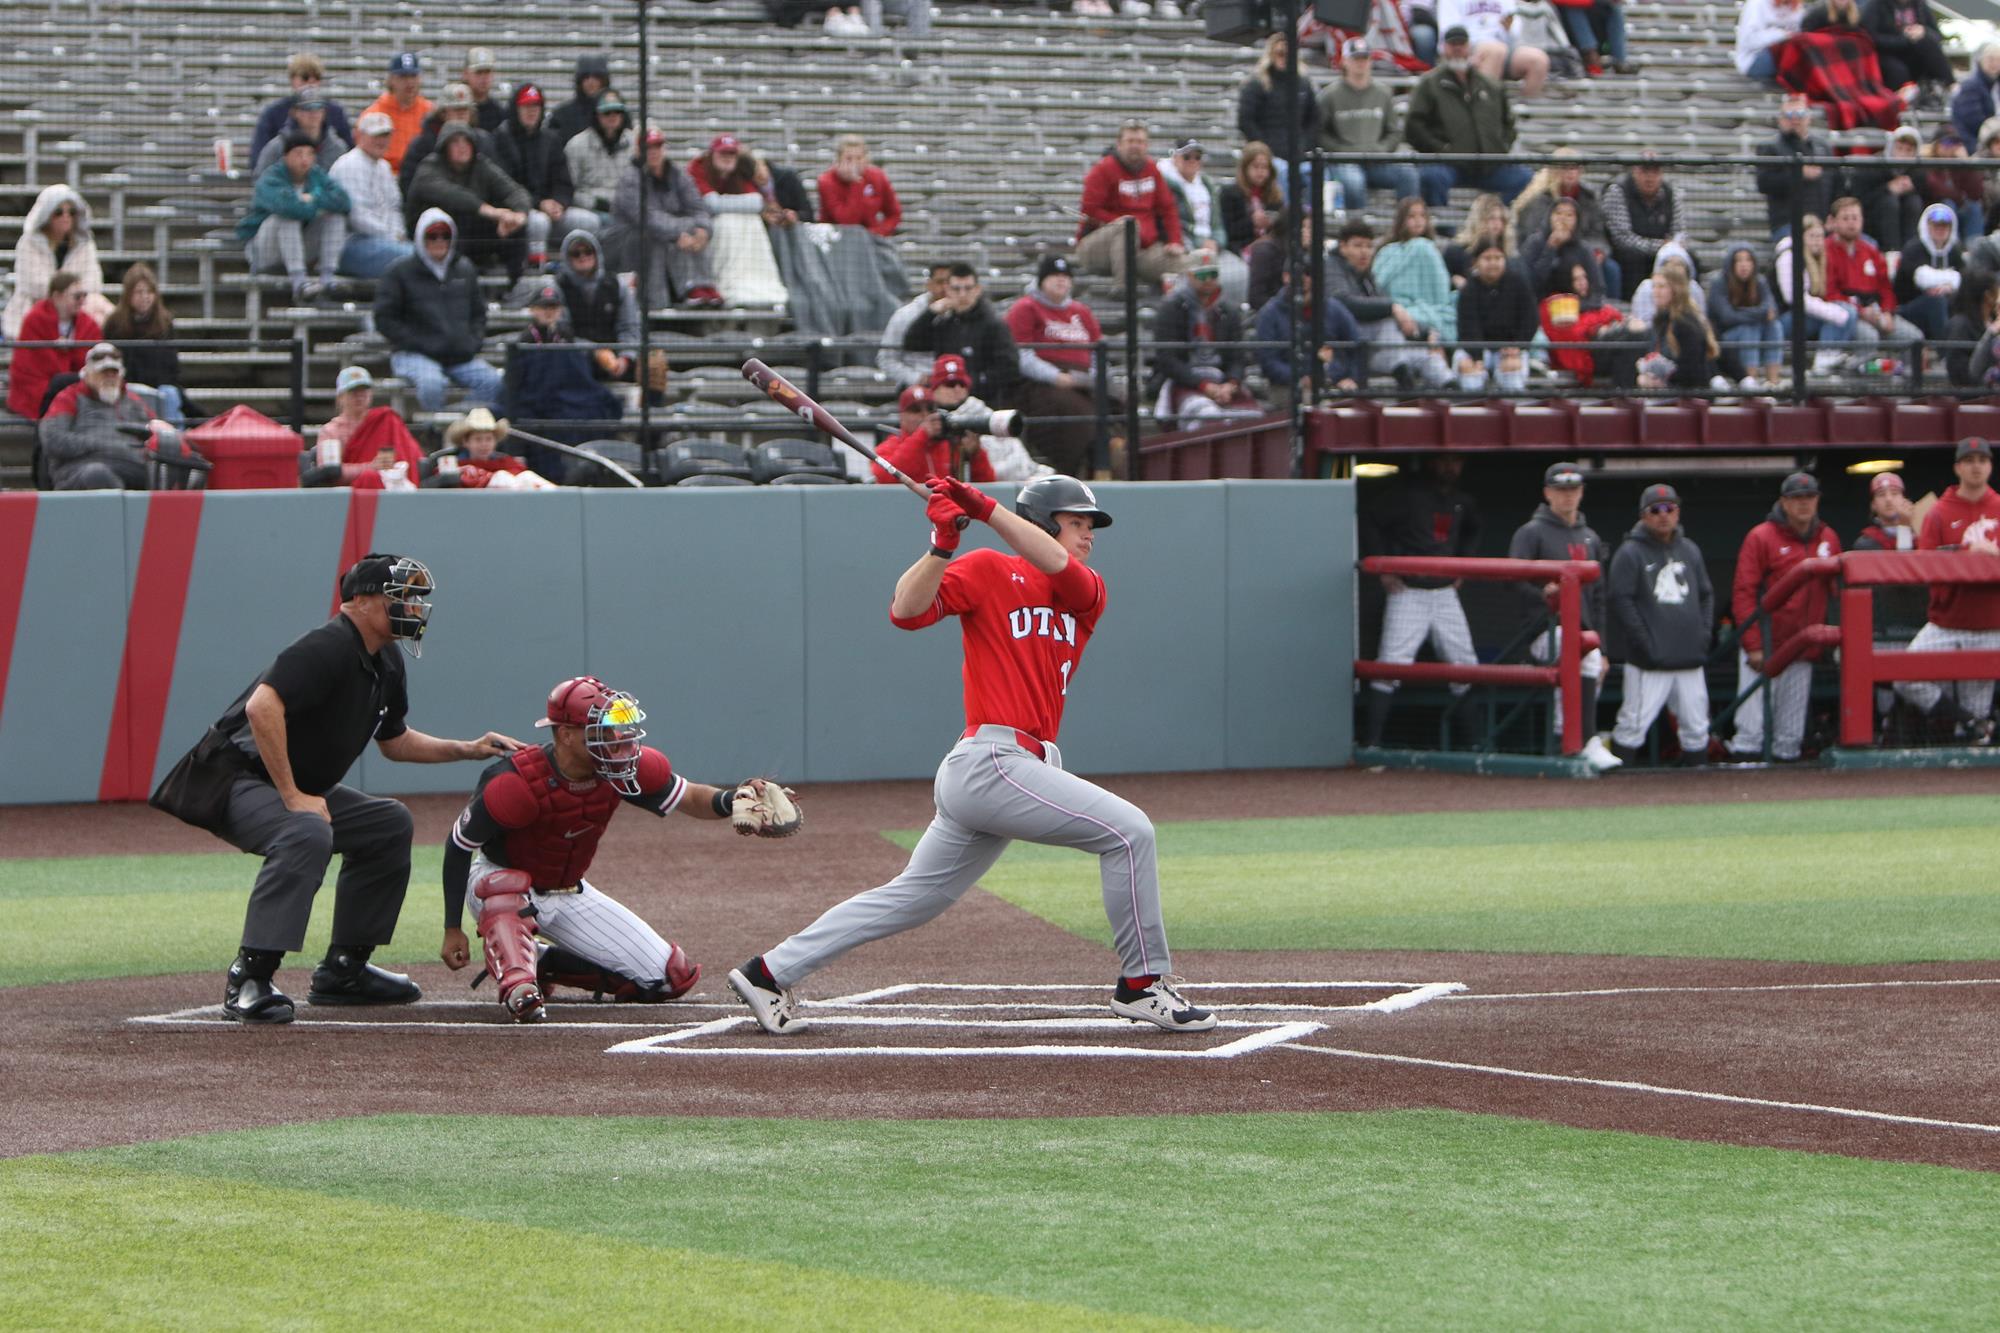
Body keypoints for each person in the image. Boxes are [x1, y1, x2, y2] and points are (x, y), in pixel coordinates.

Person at [727, 474, 1219, 1036]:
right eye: (1077, 522)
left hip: (1018, 767)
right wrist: (941, 544)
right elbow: (906, 611)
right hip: (991, 761)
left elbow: (1058, 566)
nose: (1089, 534)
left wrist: (982, 507)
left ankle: (768, 971)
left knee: (915, 898)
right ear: (1044, 521)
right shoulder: (988, 568)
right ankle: (1143, 985)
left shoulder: (1085, 590)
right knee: (1131, 833)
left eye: (1090, 525)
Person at [153, 554, 523, 1024]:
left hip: (279, 783)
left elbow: (396, 742)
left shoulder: (385, 658)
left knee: (388, 824)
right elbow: (261, 708)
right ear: (362, 601)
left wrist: (467, 748)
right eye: (401, 597)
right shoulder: (326, 646)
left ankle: (344, 971)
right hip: (230, 779)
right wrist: (292, 797)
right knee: (305, 831)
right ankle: (250, 976)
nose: (412, 608)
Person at [447, 678, 793, 1021]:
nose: (617, 739)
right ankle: (517, 983)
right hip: (499, 884)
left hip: (569, 890)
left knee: (671, 977)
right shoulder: (515, 782)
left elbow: (689, 797)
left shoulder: (618, 768)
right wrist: (452, 928)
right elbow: (459, 845)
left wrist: (734, 799)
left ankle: (542, 961)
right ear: (566, 733)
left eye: (616, 728)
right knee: (504, 888)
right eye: (601, 730)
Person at [1359, 454, 1483, 746]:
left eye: (1455, 461)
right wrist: (1383, 567)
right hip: (1408, 592)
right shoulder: (1406, 496)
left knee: (1465, 666)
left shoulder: (1461, 500)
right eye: (1443, 461)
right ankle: (1371, 745)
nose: (1449, 466)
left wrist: (1464, 564)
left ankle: (1477, 747)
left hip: (1444, 593)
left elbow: (1475, 528)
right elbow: (1370, 521)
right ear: (1429, 462)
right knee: (1390, 667)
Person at [1507, 462, 1619, 769]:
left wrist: (1603, 648)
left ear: (1581, 492)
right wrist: (1542, 593)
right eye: (1560, 490)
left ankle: (1569, 739)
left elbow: (1598, 599)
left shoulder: (1590, 537)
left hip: (1581, 635)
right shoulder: (1531, 532)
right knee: (1578, 653)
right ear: (1547, 493)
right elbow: (1512, 581)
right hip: (1541, 632)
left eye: (1573, 490)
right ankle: (1583, 739)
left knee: (1589, 659)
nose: (1567, 497)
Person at [1724, 472, 1839, 762]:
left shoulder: (1828, 537)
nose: (1804, 504)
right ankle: (1740, 798)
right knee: (1751, 732)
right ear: (1783, 503)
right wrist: (1752, 644)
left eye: (1809, 497)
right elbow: (1743, 592)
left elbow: (1838, 592)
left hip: (1802, 649)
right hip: (1767, 645)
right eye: (1796, 498)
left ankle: (1785, 797)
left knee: (1789, 738)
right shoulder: (1761, 536)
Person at [1892, 438, 2000, 740]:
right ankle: (1962, 720)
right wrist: (1966, 553)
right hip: (1946, 622)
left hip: (1991, 624)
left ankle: (1972, 728)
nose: (1976, 466)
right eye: (1969, 460)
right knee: (1904, 676)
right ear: (1957, 467)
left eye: (1982, 460)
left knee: (1978, 718)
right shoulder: (1939, 511)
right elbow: (1926, 565)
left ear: (1990, 465)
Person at [1606, 484, 1714, 764]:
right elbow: (1621, 601)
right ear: (1644, 515)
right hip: (1649, 662)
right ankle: (1612, 794)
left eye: (1670, 508)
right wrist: (1646, 642)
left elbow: (1705, 595)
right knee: (1633, 724)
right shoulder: (1630, 552)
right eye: (1656, 510)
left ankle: (1698, 792)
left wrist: (1703, 635)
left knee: (1697, 726)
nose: (1663, 515)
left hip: (1689, 657)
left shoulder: (1689, 549)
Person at [375, 209, 503, 411]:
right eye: (432, 235)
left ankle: (458, 425)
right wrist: (417, 342)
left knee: (495, 383)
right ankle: (435, 432)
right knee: (431, 385)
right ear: (420, 238)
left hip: (459, 355)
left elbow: (479, 314)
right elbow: (384, 319)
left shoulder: (465, 269)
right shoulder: (399, 272)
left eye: (445, 235)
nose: (439, 241)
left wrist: (472, 342)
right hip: (415, 354)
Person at [1403, 27, 1534, 204]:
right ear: (1443, 48)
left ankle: (1501, 224)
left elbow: (1508, 123)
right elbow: (1414, 126)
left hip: (1489, 165)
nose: (1457, 49)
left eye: (1461, 44)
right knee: (1432, 177)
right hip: (1448, 164)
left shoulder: (1490, 86)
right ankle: (1444, 229)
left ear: (1469, 47)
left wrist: (1500, 147)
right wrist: (1442, 149)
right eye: (1452, 45)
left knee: (1525, 178)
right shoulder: (1429, 84)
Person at [1005, 255, 1108, 477]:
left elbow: (1098, 352)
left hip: (1082, 381)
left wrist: (1094, 378)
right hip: (1042, 384)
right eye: (1054, 276)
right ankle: (1075, 471)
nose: (1061, 281)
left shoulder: (1082, 312)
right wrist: (1055, 377)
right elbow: (1021, 354)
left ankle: (1110, 466)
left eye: (1065, 276)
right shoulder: (1026, 308)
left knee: (1116, 404)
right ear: (1041, 280)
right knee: (1074, 412)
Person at [1327, 219, 1455, 390]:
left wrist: (1424, 333)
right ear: (1343, 247)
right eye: (1358, 246)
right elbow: (1343, 302)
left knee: (1426, 356)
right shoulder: (1331, 267)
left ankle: (1452, 388)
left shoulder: (1366, 276)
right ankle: (1405, 382)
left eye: (1368, 246)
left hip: (1380, 352)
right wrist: (1392, 308)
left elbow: (1387, 308)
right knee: (1388, 323)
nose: (1364, 252)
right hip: (1348, 350)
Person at [502, 282, 623, 458]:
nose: (548, 311)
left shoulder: (565, 334)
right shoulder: (524, 340)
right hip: (537, 400)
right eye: (543, 307)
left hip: (565, 397)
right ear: (533, 310)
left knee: (600, 405)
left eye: (553, 307)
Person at [37, 343, 181, 489]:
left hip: (133, 464)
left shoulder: (134, 401)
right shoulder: (68, 398)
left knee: (169, 474)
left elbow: (159, 433)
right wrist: (101, 445)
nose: (110, 377)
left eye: (114, 372)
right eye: (103, 372)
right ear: (87, 374)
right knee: (98, 474)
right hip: (81, 469)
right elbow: (53, 439)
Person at [610, 126, 723, 309]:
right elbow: (647, 218)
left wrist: (702, 230)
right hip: (630, 242)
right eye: (648, 148)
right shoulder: (630, 178)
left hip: (673, 235)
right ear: (639, 150)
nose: (653, 152)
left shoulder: (678, 174)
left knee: (698, 233)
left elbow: (699, 208)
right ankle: (663, 300)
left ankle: (702, 287)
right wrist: (682, 231)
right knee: (658, 237)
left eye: (657, 146)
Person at [405, 122, 530, 284]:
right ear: (445, 146)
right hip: (435, 236)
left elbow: (514, 190)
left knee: (516, 228)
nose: (462, 147)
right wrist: (490, 211)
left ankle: (518, 285)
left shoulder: (481, 165)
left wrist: (519, 215)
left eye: (466, 141)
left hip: (473, 233)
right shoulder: (429, 167)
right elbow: (452, 195)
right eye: (455, 142)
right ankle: (455, 285)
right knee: (458, 219)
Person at [1317, 40, 1431, 212]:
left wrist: (1381, 149)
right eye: (1355, 58)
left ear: (1371, 61)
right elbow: (1319, 133)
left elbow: (1394, 131)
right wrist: (1341, 150)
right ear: (1344, 61)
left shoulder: (1383, 93)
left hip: (1378, 159)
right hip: (1344, 160)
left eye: (1365, 58)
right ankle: (1358, 228)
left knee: (1408, 174)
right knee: (1353, 183)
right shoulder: (1329, 95)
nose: (1360, 63)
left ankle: (1404, 224)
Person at [238, 128, 351, 300]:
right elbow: (288, 208)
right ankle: (300, 283)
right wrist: (315, 203)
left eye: (309, 154)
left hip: (301, 247)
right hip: (266, 252)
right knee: (287, 218)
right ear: (286, 156)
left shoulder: (317, 175)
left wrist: (313, 197)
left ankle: (328, 278)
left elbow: (344, 201)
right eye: (298, 153)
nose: (304, 159)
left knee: (334, 217)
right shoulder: (271, 177)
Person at [1074, 119, 1187, 285]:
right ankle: (1124, 288)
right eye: (1130, 141)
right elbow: (1089, 211)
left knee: (1197, 262)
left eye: (1140, 141)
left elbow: (1168, 208)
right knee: (1128, 225)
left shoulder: (1152, 170)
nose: (1135, 146)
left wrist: (1175, 241)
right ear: (1119, 144)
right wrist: (1129, 226)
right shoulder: (1102, 170)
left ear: (1146, 145)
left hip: (1142, 250)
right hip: (1098, 249)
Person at [1150, 260, 1259, 429]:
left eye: (1213, 274)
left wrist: (1231, 384)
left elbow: (1237, 358)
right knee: (1206, 415)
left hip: (1222, 381)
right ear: (1190, 276)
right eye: (1202, 275)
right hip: (1183, 381)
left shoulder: (1228, 311)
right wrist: (1204, 385)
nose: (1208, 280)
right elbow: (1168, 360)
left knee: (1253, 417)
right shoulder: (1171, 309)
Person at [492, 83, 586, 272]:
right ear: (515, 109)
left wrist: (559, 202)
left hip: (551, 210)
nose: (531, 111)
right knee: (538, 222)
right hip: (518, 212)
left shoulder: (550, 139)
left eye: (535, 106)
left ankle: (580, 277)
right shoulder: (501, 138)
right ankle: (537, 277)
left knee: (588, 221)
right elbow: (506, 186)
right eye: (526, 106)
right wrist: (539, 203)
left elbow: (564, 182)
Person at [902, 262, 1020, 405]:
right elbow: (912, 343)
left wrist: (968, 384)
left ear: (977, 289)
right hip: (946, 402)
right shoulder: (944, 324)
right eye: (956, 289)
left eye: (968, 288)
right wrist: (930, 313)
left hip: (983, 402)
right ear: (947, 290)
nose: (962, 294)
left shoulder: (994, 325)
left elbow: (1009, 369)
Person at [3, 184, 110, 340]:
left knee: (102, 309)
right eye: (59, 212)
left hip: (77, 308)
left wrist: (68, 296)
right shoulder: (28, 243)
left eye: (71, 212)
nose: (66, 217)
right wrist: (66, 295)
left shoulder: (86, 245)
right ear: (46, 215)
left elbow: (93, 283)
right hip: (36, 305)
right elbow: (33, 285)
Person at [871, 354, 998, 485]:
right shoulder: (887, 448)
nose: (924, 415)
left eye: (930, 409)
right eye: (915, 410)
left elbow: (987, 485)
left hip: (946, 504)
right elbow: (886, 479)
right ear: (902, 417)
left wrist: (976, 455)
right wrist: (922, 435)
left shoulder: (952, 446)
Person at [1825, 195, 1925, 356]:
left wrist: (1887, 312)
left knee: (1914, 338)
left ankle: (1909, 378)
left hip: (1876, 311)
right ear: (1834, 221)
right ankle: (1858, 376)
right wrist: (1860, 312)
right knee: (1868, 337)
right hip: (1849, 314)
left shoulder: (1871, 250)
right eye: (1845, 218)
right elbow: (1830, 293)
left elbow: (1885, 288)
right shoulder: (1826, 251)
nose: (1851, 223)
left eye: (1855, 218)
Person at [101, 263, 191, 428]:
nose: (145, 297)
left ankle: (175, 443)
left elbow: (171, 366)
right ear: (128, 295)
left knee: (170, 394)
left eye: (149, 292)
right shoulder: (114, 323)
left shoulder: (164, 322)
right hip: (126, 385)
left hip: (159, 385)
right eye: (139, 292)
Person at [1254, 264, 1364, 400]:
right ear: (1285, 277)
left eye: (1309, 274)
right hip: (1287, 387)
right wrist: (1300, 378)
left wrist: (1351, 378)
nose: (1304, 279)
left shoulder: (1335, 308)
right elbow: (1268, 361)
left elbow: (1356, 346)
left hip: (1334, 382)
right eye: (1298, 273)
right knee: (1305, 401)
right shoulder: (1270, 313)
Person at [1513, 149, 1617, 291]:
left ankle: (1603, 307)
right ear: (1554, 171)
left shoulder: (1590, 198)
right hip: (1547, 249)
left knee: (1610, 269)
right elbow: (1532, 236)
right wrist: (1553, 243)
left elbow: (1597, 233)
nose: (1570, 172)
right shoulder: (1538, 201)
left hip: (1581, 250)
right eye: (1564, 168)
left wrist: (1597, 251)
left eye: (1574, 168)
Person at [328, 111, 415, 278]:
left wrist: (398, 234)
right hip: (350, 243)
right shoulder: (349, 164)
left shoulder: (384, 166)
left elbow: (394, 208)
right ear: (359, 136)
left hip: (383, 242)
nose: (382, 141)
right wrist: (392, 236)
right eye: (376, 135)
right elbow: (358, 217)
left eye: (385, 135)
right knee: (414, 258)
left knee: (422, 256)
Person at [1774, 213, 1861, 374]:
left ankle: (1830, 357)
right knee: (1840, 313)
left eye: (1820, 236)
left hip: (1803, 314)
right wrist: (1831, 311)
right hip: (1782, 321)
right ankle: (1824, 360)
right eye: (1812, 236)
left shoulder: (1817, 257)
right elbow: (1793, 298)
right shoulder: (1788, 256)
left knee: (1848, 311)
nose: (1817, 241)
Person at [7, 272, 101, 420]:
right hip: (40, 384)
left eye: (84, 295)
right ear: (57, 296)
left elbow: (93, 359)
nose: (82, 301)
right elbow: (29, 364)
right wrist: (61, 354)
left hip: (76, 382)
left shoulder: (88, 324)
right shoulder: (35, 320)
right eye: (77, 296)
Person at [1236, 33, 1320, 193]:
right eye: (1280, 54)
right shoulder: (1257, 84)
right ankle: (1287, 214)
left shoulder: (1303, 84)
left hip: (1300, 152)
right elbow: (1246, 120)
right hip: (1270, 153)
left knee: (1317, 171)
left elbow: (1314, 120)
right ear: (1271, 55)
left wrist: (1305, 145)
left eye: (1288, 55)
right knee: (1280, 171)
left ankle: (1312, 214)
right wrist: (1264, 150)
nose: (1284, 59)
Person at [1540, 260, 1642, 387]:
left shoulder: (1590, 300)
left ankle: (1627, 393)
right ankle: (1626, 393)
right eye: (1576, 279)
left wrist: (1601, 327)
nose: (1583, 282)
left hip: (1603, 346)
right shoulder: (1554, 303)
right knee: (1628, 334)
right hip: (1583, 355)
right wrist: (1597, 328)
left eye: (1584, 277)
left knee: (1635, 337)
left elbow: (1614, 314)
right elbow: (1573, 333)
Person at [1373, 197, 1458, 345]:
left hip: (1431, 309)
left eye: (1422, 216)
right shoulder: (1386, 251)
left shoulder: (1430, 249)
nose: (1418, 220)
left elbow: (1440, 290)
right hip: (1397, 310)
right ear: (1401, 220)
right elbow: (1378, 283)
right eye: (1412, 216)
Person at [1604, 153, 1689, 301]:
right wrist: (1660, 246)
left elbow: (1679, 231)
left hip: (1662, 253)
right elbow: (1622, 238)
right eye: (1644, 171)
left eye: (1654, 172)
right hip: (1627, 254)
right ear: (1635, 171)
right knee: (1632, 260)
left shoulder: (1671, 193)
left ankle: (1682, 305)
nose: (1649, 177)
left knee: (1686, 259)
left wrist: (1671, 249)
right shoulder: (1618, 191)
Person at [1456, 240, 1538, 389]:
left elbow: (1530, 319)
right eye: (1487, 258)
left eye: (1498, 258)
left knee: (1512, 377)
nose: (1493, 263)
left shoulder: (1518, 283)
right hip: (1475, 348)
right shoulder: (1468, 290)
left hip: (1511, 348)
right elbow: (1468, 327)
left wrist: (1517, 347)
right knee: (1470, 376)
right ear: (1476, 262)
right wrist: (1477, 357)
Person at [250, 53, 355, 167]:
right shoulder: (273, 113)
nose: (311, 82)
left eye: (317, 77)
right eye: (305, 77)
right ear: (292, 79)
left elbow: (349, 153)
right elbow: (259, 157)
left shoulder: (336, 112)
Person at [1754, 97, 1836, 237]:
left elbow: (1836, 184)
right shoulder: (1770, 147)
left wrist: (1833, 216)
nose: (1795, 120)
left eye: (1800, 114)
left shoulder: (1823, 148)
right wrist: (1798, 174)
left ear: (1808, 117)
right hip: (1788, 224)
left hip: (1822, 223)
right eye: (1789, 115)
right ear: (1780, 119)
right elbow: (1764, 183)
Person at [1437, 0, 1552, 97]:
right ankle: (1482, 111)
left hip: (1503, 46)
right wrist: (1467, 53)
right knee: (1495, 51)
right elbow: (1449, 33)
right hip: (1469, 47)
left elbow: (1515, 33)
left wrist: (1508, 28)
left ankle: (1525, 116)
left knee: (1538, 59)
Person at [1708, 245, 1786, 389]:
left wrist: (1740, 311)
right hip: (1723, 342)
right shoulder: (1718, 283)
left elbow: (1771, 310)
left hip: (1753, 333)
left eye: (1748, 260)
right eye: (1739, 261)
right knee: (1749, 328)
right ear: (1731, 264)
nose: (1744, 265)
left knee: (1774, 326)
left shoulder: (1760, 281)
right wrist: (1759, 314)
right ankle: (1750, 383)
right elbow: (1727, 317)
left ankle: (1773, 382)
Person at [1636, 265, 1720, 391]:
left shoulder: (1686, 323)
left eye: (1662, 286)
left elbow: (1693, 371)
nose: (1656, 292)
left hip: (1689, 398)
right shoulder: (1660, 321)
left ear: (1676, 290)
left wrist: (1664, 379)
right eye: (1654, 286)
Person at [1891, 202, 1963, 343]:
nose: (1940, 230)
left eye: (1944, 226)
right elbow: (1923, 278)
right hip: (1908, 308)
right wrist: (1952, 279)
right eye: (1936, 225)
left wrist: (1949, 287)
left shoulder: (1954, 252)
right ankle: (1945, 352)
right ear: (1926, 226)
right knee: (1936, 301)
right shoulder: (1914, 248)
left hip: (1942, 307)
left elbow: (1965, 278)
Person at [1519, 196, 1607, 310]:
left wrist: (1574, 308)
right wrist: (1551, 248)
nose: (1563, 219)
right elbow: (1530, 283)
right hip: (1541, 309)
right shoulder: (1534, 243)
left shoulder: (1584, 249)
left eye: (1569, 215)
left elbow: (1598, 290)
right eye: (1558, 213)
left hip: (1576, 311)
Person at [1860, 0, 1952, 104]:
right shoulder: (1876, 5)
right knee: (1898, 70)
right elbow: (1869, 37)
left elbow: (1937, 36)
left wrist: (1924, 31)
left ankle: (1951, 85)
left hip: (1914, 55)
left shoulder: (1920, 5)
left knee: (1927, 42)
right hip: (1886, 55)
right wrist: (1904, 39)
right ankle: (1903, 99)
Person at [564, 90, 632, 229]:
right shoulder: (576, 145)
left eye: (617, 111)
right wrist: (596, 203)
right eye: (607, 112)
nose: (612, 116)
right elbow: (568, 190)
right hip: (590, 211)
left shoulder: (635, 143)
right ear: (597, 115)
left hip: (627, 209)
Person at [360, 52, 432, 176]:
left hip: (420, 177)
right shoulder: (374, 114)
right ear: (391, 79)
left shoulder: (430, 111)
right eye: (403, 76)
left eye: (413, 76)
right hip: (384, 176)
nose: (409, 82)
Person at [882, 262, 953, 386]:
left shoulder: (966, 314)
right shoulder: (905, 315)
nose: (945, 288)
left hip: (956, 385)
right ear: (929, 284)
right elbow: (887, 359)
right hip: (916, 388)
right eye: (940, 282)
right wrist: (916, 378)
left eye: (950, 283)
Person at [250, 88, 348, 176]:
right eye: (307, 108)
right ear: (294, 112)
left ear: (324, 112)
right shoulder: (277, 147)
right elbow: (261, 181)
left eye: (318, 107)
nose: (313, 114)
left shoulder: (338, 149)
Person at [816, 134, 901, 235]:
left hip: (871, 239)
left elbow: (894, 214)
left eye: (859, 158)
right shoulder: (826, 182)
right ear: (838, 161)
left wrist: (878, 232)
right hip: (838, 239)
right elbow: (846, 222)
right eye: (848, 159)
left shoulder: (877, 177)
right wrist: (856, 183)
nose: (854, 163)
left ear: (866, 159)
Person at [1219, 141, 1285, 255]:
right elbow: (1227, 231)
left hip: (1270, 249)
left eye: (1264, 167)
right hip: (1239, 250)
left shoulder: (1275, 196)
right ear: (1245, 168)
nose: (1260, 172)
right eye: (1255, 166)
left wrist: (1272, 223)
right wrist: (1252, 222)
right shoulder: (1229, 194)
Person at [1922, 129, 1985, 245]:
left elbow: (1977, 192)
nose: (1950, 147)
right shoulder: (1927, 163)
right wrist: (1959, 197)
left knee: (1974, 207)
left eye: (1955, 143)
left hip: (1960, 206)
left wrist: (1967, 163)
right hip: (1935, 209)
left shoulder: (1960, 165)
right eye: (1947, 142)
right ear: (1936, 145)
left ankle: (1974, 247)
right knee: (1948, 205)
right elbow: (1937, 189)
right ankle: (1953, 246)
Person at [1444, 192, 1520, 287]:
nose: (1497, 223)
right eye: (1491, 218)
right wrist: (1454, 280)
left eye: (1501, 219)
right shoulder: (1456, 251)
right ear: (1478, 219)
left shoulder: (1509, 255)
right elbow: (1442, 279)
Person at [549, 53, 612, 145]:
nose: (591, 81)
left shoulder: (616, 112)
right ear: (579, 80)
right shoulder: (562, 115)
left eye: (596, 76)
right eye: (586, 77)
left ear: (604, 80)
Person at [1736, 0, 1806, 82]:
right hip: (1754, 59)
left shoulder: (1796, 6)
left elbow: (1800, 34)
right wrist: (1783, 36)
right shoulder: (1757, 4)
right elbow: (1749, 40)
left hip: (1784, 56)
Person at [1951, 41, 2000, 150]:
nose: (1995, 63)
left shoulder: (1996, 85)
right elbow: (1974, 122)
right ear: (1981, 61)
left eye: (1998, 59)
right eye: (1990, 59)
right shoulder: (1970, 86)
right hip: (1976, 143)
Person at [1853, 469, 1918, 550]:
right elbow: (1901, 561)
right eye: (1881, 494)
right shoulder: (1866, 542)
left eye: (1894, 493)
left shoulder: (1919, 537)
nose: (1888, 499)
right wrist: (1904, 528)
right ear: (1873, 505)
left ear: (1904, 500)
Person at [462, 47, 507, 134]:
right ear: (465, 74)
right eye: (478, 72)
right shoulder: (455, 108)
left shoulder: (499, 113)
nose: (483, 78)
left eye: (487, 72)